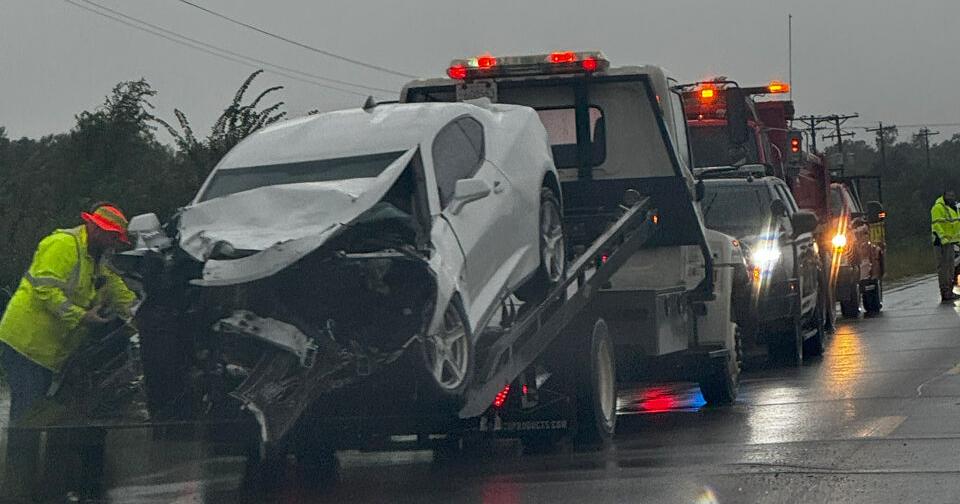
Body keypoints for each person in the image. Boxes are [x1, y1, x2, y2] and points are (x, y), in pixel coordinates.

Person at [0, 203, 137, 497]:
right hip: (26, 344)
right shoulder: (62, 244)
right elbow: (44, 290)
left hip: (48, 351)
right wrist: (81, 316)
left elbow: (115, 288)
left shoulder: (97, 259)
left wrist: (138, 314)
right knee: (27, 417)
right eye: (113, 238)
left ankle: (28, 486)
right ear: (97, 229)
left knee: (38, 415)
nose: (115, 245)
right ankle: (16, 489)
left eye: (118, 240)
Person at [931, 190, 960, 302]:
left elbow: (956, 226)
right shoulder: (938, 208)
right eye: (949, 195)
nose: (951, 197)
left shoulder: (954, 208)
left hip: (951, 243)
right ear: (944, 196)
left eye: (953, 195)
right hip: (941, 243)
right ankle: (945, 292)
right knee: (944, 268)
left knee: (951, 267)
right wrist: (944, 239)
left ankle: (949, 291)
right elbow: (937, 226)